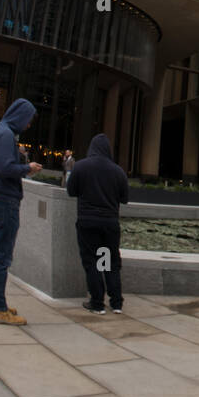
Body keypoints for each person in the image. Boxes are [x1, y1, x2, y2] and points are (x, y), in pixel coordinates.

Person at [0, 99, 42, 325]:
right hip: (5, 201)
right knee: (2, 257)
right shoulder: (7, 135)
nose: (28, 126)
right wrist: (28, 168)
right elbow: (7, 168)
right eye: (28, 121)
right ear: (20, 116)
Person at [67, 134, 129, 314]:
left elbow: (71, 191)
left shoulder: (81, 166)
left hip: (88, 222)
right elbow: (124, 199)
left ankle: (97, 302)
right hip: (109, 224)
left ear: (91, 148)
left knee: (91, 261)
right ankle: (116, 303)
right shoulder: (118, 171)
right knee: (109, 262)